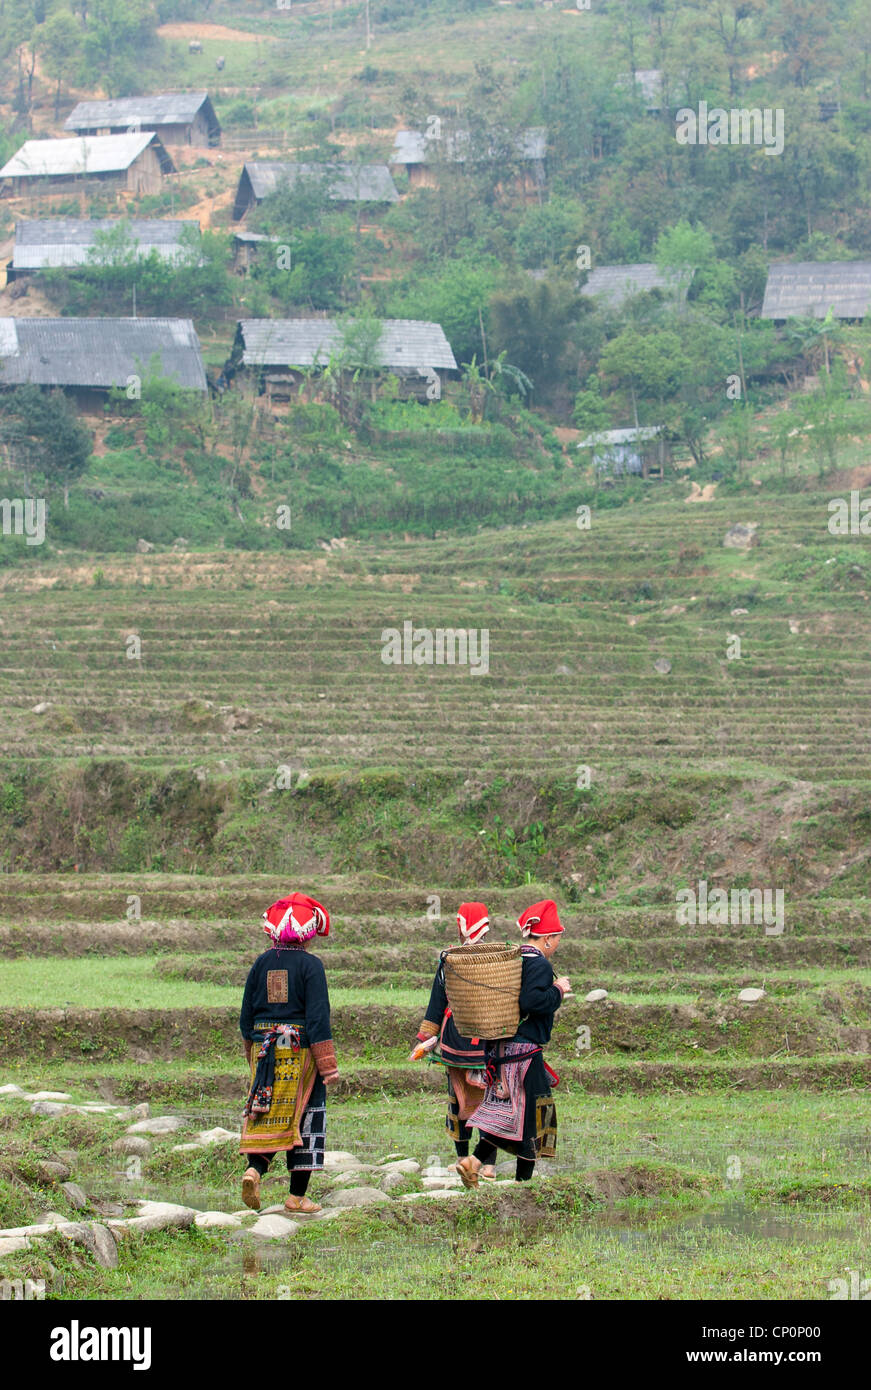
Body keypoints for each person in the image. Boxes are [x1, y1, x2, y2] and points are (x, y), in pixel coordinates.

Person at [457, 899, 570, 1188]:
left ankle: (473, 1162)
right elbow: (531, 1001)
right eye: (556, 939)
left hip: (502, 1050)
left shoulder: (513, 959)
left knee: (512, 1113)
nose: (556, 944)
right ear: (547, 939)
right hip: (525, 1053)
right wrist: (557, 990)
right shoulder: (540, 965)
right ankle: (523, 1186)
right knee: (535, 1117)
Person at [239, 893, 339, 1215]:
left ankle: (254, 1170)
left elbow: (245, 1016)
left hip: (265, 1050)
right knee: (306, 1119)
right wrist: (328, 1067)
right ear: (308, 933)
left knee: (267, 1112)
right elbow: (318, 1019)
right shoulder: (311, 966)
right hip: (301, 1054)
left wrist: (253, 1054)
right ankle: (296, 1196)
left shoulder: (261, 963)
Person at [412, 901, 495, 1178]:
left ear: (461, 927)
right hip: (489, 1038)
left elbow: (437, 1001)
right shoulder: (499, 959)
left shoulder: (450, 959)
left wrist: (426, 1036)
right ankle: (488, 1164)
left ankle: (462, 1157)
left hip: (455, 1041)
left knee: (457, 1100)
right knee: (488, 1097)